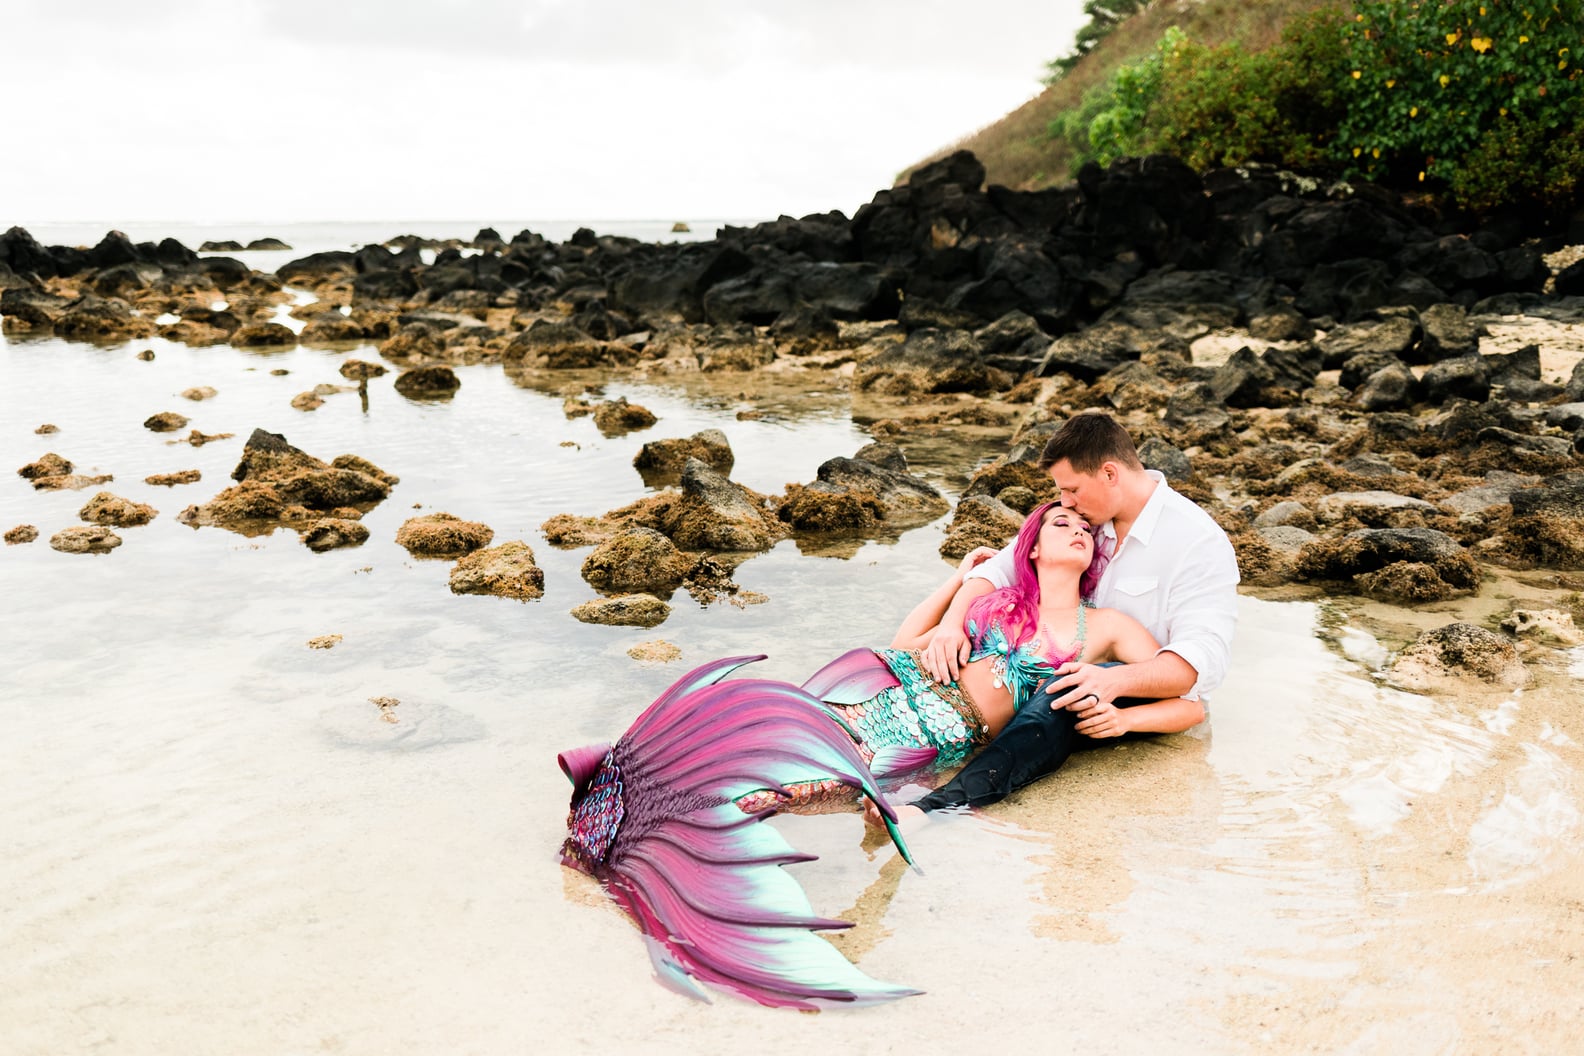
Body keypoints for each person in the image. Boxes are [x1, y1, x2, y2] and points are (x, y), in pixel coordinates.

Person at [894, 410, 1239, 819]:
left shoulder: (1196, 543)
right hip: (1057, 667)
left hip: (1137, 686)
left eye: (1072, 489)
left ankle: (939, 806)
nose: (1066, 502)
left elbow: (1199, 668)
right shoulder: (1086, 521)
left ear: (1109, 474)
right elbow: (999, 568)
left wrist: (1115, 685)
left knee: (1063, 692)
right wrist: (952, 626)